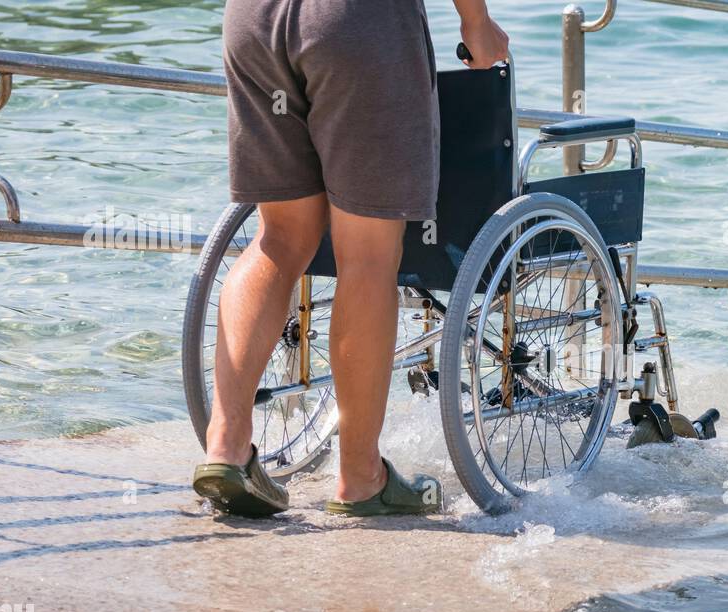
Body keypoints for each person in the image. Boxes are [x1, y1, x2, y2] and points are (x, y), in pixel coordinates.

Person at [191, 0, 509, 518]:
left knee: (278, 238)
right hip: (357, 25)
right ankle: (361, 477)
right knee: (367, 255)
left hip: (252, 21)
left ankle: (227, 448)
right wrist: (476, 23)